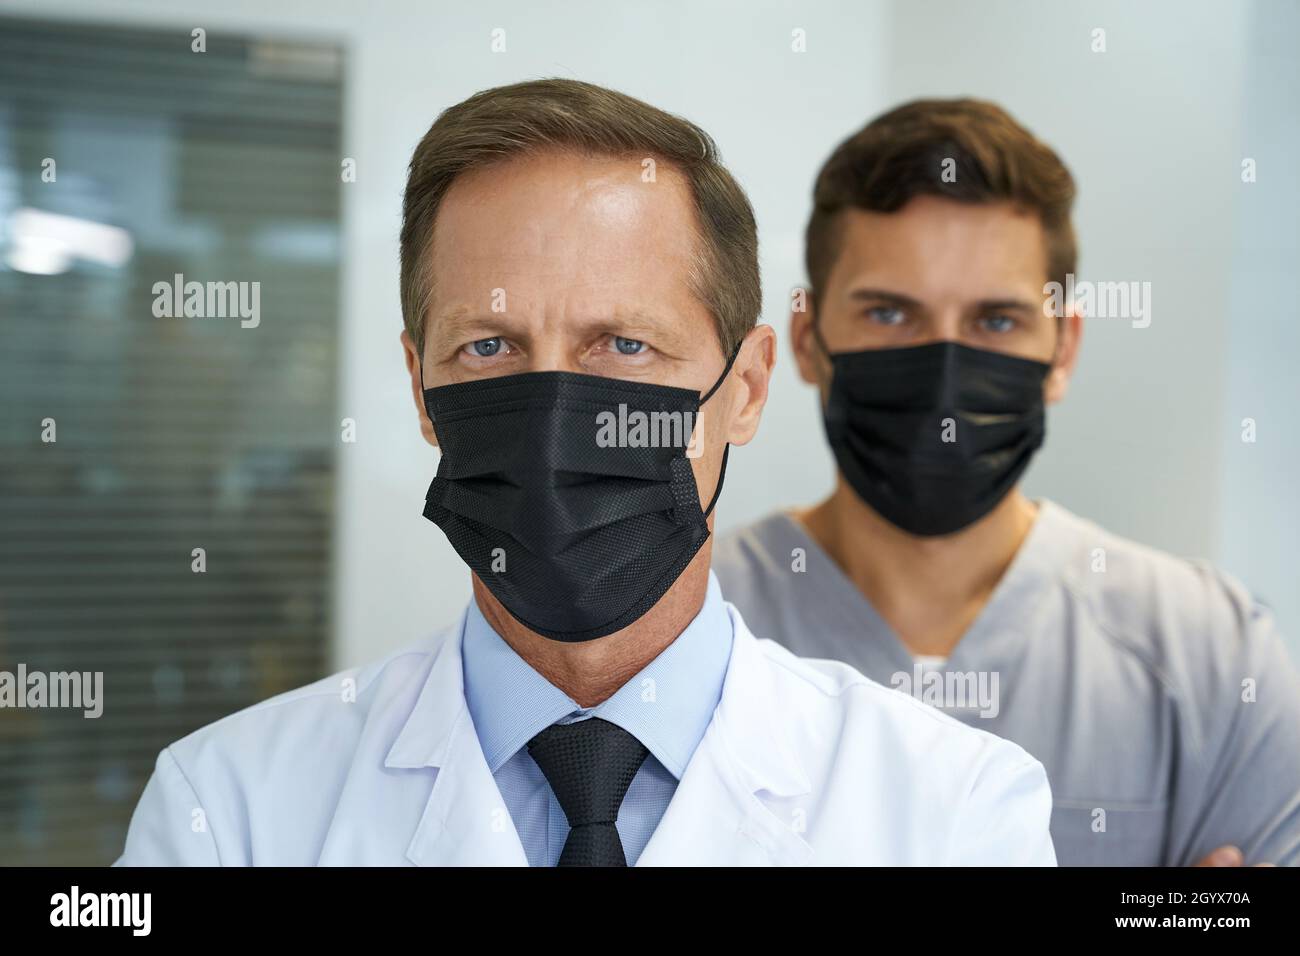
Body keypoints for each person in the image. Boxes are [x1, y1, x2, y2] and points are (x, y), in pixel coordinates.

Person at [115, 80, 1054, 866]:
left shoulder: (955, 811)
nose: (556, 407)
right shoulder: (229, 810)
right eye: (490, 346)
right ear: (419, 385)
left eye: (626, 344)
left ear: (750, 387)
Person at [713, 98, 1300, 867]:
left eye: (996, 321)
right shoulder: (689, 616)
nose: (946, 368)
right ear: (806, 341)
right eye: (890, 313)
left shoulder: (1207, 654)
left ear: (1063, 350)